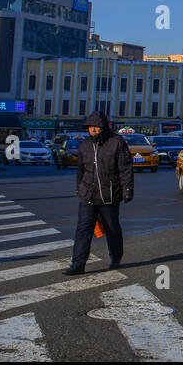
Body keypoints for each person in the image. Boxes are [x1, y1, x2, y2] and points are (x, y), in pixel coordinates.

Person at [64, 112, 133, 275]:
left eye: (96, 127)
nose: (93, 130)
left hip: (109, 194)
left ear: (103, 127)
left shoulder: (116, 142)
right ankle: (78, 264)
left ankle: (115, 258)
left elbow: (125, 168)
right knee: (83, 229)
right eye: (90, 127)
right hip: (88, 194)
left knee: (112, 227)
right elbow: (80, 171)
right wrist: (79, 188)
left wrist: (127, 190)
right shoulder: (84, 146)